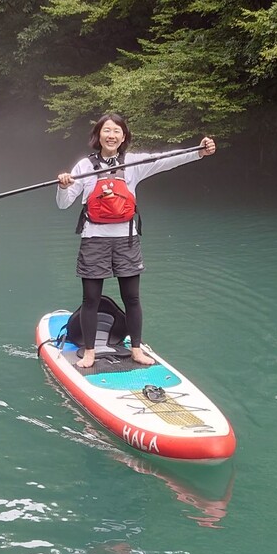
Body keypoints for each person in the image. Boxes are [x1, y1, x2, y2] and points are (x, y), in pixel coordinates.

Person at [56, 112, 216, 369]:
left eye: (117, 131)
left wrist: (199, 152)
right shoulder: (84, 167)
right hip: (94, 239)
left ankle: (137, 350)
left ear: (124, 137)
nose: (111, 135)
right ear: (98, 135)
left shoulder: (133, 163)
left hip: (126, 240)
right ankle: (89, 352)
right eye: (107, 130)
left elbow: (168, 160)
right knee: (90, 299)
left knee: (132, 298)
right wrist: (63, 186)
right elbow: (64, 205)